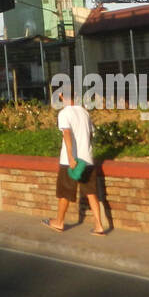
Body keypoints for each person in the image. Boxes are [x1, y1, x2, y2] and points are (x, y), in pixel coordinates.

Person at [43, 82, 106, 235]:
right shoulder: (85, 113)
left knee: (65, 193)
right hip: (88, 159)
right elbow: (90, 134)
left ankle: (59, 222)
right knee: (91, 193)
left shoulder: (64, 113)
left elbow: (66, 134)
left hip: (70, 161)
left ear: (61, 96)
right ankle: (99, 226)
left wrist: (71, 156)